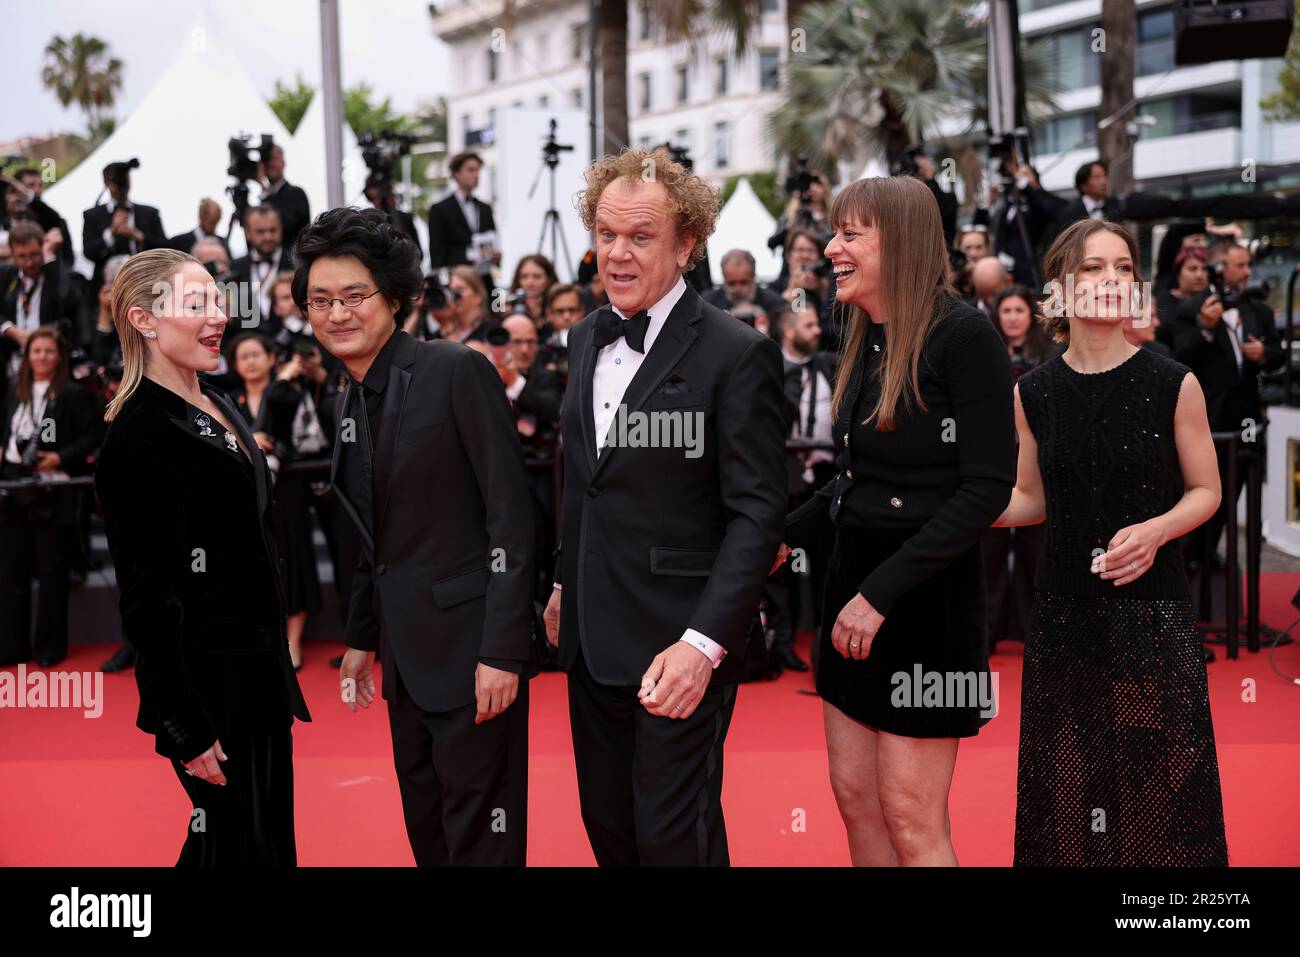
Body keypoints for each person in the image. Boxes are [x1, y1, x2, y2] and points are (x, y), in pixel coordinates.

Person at [542, 147, 787, 867]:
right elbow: (581, 477)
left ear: (687, 244)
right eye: (606, 234)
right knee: (611, 831)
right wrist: (564, 581)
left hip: (679, 643)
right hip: (590, 639)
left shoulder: (737, 353)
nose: (617, 254)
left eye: (640, 236)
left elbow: (757, 513)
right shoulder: (587, 334)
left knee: (674, 840)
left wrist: (704, 643)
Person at [779, 175, 1016, 866]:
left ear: (904, 243)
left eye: (851, 234)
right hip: (849, 588)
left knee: (912, 815)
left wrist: (880, 596)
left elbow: (987, 490)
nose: (830, 249)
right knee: (857, 802)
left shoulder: (965, 337)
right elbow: (850, 482)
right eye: (834, 232)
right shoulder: (862, 334)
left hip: (928, 599)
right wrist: (779, 538)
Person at [300, 206, 536, 866]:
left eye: (353, 296)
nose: (336, 313)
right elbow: (370, 531)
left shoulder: (456, 371)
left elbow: (511, 519)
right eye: (321, 300)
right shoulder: (345, 397)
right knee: (428, 832)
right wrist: (360, 636)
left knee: (481, 839)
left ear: (397, 299)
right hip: (406, 663)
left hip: (473, 656)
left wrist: (503, 651)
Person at [995, 218, 1228, 866]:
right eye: (1094, 267)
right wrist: (959, 505)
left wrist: (1157, 530)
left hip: (1152, 614)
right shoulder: (1033, 393)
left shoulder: (1172, 383)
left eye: (1123, 267)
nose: (1111, 280)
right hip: (1065, 616)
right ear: (1062, 286)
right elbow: (1032, 498)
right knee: (1071, 794)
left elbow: (1205, 491)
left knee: (1160, 799)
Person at [94, 248, 311, 865]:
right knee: (231, 847)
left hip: (259, 679)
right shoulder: (137, 435)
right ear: (144, 320)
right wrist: (183, 722)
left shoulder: (218, 400)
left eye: (219, 301)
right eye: (197, 305)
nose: (218, 316)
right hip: (207, 691)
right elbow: (144, 595)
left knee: (260, 849)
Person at [1171, 238, 1284, 589]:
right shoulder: (1192, 308)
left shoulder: (1259, 312)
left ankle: (1222, 565)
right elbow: (1179, 357)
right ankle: (1194, 562)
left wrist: (1264, 352)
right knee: (1203, 494)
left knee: (1240, 491)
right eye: (1240, 265)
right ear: (1219, 270)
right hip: (1208, 419)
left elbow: (1279, 356)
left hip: (1248, 419)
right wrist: (1206, 327)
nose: (1248, 272)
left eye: (1249, 264)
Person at [0, 327, 100, 667]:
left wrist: (61, 457)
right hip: (13, 486)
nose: (41, 356)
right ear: (27, 356)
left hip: (52, 489)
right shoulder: (15, 389)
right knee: (11, 571)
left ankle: (49, 649)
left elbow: (91, 437)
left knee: (50, 570)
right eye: (35, 351)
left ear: (59, 356)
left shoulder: (72, 393)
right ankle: (11, 646)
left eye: (48, 351)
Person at [226, 332, 324, 671]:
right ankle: (263, 634)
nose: (250, 361)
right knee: (253, 560)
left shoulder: (288, 393)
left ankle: (292, 641)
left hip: (287, 490)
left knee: (292, 557)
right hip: (243, 492)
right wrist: (247, 440)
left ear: (271, 358)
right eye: (243, 357)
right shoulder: (228, 401)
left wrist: (281, 381)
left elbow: (287, 433)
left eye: (257, 354)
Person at [981, 286, 1056, 653]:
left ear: (1031, 315)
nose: (1012, 317)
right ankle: (988, 629)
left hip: (1037, 457)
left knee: (1035, 544)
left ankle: (1033, 630)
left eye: (1019, 310)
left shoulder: (1049, 355)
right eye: (1006, 310)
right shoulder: (984, 352)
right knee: (989, 544)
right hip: (993, 456)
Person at [765, 304, 836, 674]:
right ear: (788, 330)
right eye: (809, 324)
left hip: (827, 479)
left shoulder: (830, 365)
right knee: (784, 568)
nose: (817, 330)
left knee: (828, 566)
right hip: (785, 478)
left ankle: (829, 646)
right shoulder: (770, 368)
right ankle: (783, 644)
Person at [0, 222, 79, 392]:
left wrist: (49, 256)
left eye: (34, 254)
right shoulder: (5, 275)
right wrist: (11, 331)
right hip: (13, 363)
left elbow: (70, 302)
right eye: (22, 256)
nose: (29, 263)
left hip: (52, 365)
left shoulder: (56, 273)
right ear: (12, 254)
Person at [82, 161, 167, 288]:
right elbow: (89, 252)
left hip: (146, 282)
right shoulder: (93, 215)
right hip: (108, 286)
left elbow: (165, 246)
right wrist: (110, 232)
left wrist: (138, 235)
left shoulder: (149, 213)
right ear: (106, 183)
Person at [427, 151, 498, 273]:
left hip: (485, 280)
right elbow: (437, 254)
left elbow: (492, 241)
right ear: (457, 174)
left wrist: (495, 255)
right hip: (457, 281)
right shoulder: (440, 209)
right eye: (471, 170)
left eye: (478, 170)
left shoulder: (485, 208)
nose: (476, 175)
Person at [231, 205, 290, 336]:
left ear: (281, 229)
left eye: (273, 230)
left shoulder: (297, 265)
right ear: (247, 232)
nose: (268, 237)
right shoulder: (234, 268)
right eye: (260, 231)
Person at [702, 248, 787, 330]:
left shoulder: (774, 304)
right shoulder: (708, 304)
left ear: (753, 277)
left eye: (743, 282)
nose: (738, 288)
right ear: (724, 279)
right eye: (732, 283)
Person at [1050, 160, 1123, 243]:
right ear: (1083, 185)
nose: (1104, 181)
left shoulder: (1115, 205)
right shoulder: (1069, 212)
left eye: (1105, 176)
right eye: (1097, 177)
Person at [258, 145, 311, 252]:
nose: (271, 164)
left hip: (293, 259)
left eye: (275, 159)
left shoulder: (296, 193)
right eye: (267, 160)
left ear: (283, 163)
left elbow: (284, 223)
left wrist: (265, 191)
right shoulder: (264, 198)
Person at [441, 265, 496, 343]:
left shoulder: (492, 330)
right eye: (450, 291)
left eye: (459, 290)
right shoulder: (443, 329)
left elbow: (461, 354)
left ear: (478, 296)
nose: (453, 296)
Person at [506, 253, 557, 327]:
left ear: (549, 279)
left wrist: (538, 318)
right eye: (524, 277)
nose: (530, 283)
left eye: (537, 277)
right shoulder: (511, 301)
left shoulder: (558, 305)